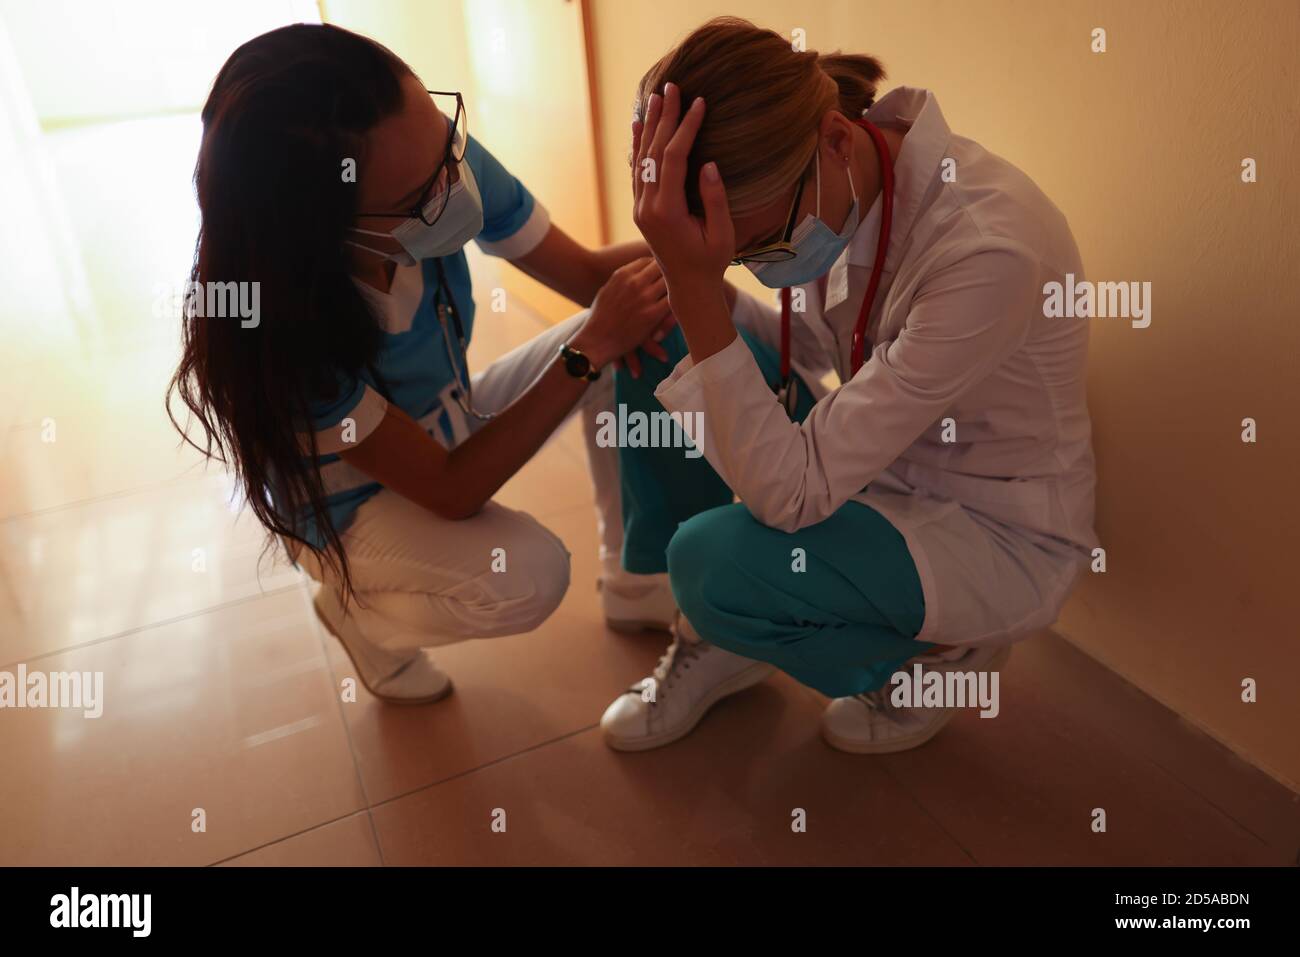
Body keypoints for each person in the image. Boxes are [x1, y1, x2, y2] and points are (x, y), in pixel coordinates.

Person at [598, 17, 1098, 753]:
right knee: (658, 327)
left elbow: (793, 493)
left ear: (835, 138)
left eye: (764, 245)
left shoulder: (989, 250)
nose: (763, 266)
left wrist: (696, 286)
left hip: (982, 522)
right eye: (739, 257)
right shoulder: (845, 182)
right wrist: (686, 294)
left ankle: (935, 660)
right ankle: (719, 634)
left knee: (711, 561)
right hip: (870, 455)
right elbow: (822, 347)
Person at [169, 23, 676, 704]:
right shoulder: (286, 332)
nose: (455, 184)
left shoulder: (427, 160)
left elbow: (588, 275)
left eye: (449, 139)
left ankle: (635, 579)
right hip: (353, 499)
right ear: (323, 228)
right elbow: (448, 488)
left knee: (619, 347)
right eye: (419, 195)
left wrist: (688, 240)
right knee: (527, 574)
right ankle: (358, 612)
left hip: (445, 417)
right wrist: (588, 350)